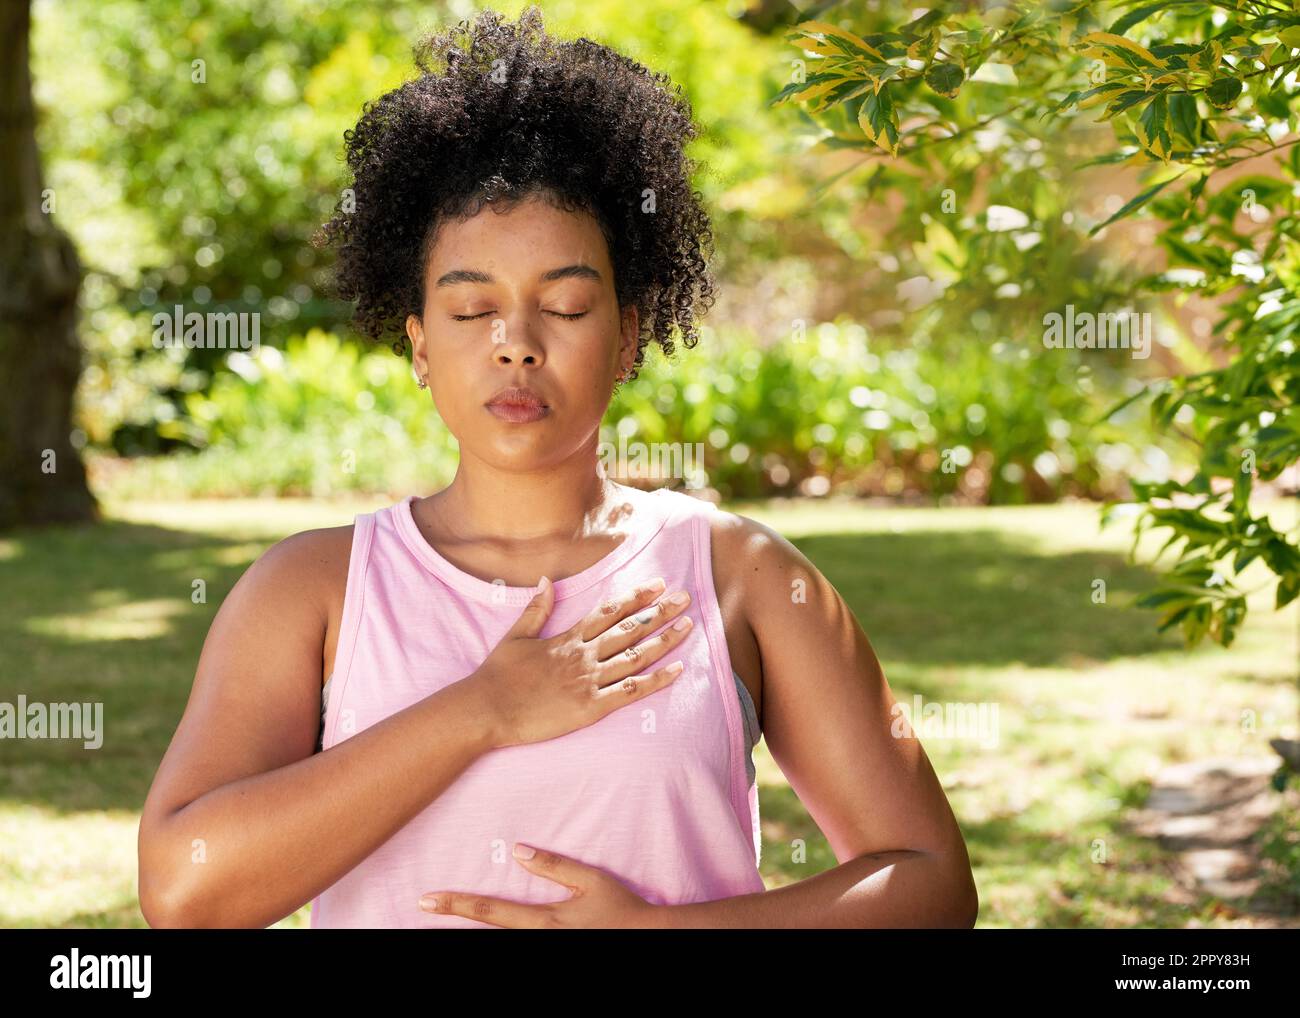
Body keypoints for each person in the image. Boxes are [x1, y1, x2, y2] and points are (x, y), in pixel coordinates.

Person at [137, 6, 977, 929]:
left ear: (628, 337)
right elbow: (185, 892)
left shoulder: (743, 576)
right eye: (470, 312)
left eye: (567, 306)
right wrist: (483, 709)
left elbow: (930, 883)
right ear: (419, 346)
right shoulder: (313, 589)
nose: (517, 346)